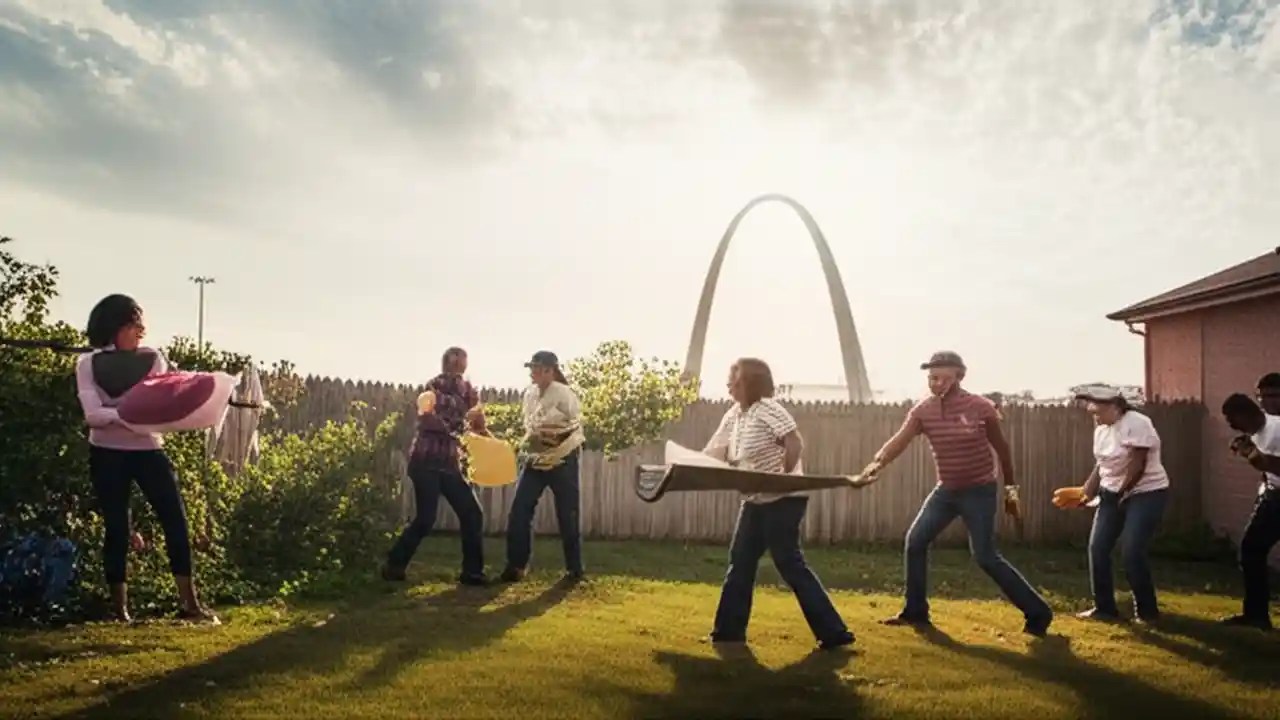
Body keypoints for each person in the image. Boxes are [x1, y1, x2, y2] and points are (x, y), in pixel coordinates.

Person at [860, 351, 1053, 636]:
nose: (936, 384)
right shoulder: (923, 411)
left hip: (979, 491)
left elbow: (1003, 449)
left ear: (959, 377)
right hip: (946, 491)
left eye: (942, 378)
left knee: (985, 556)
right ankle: (915, 612)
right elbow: (899, 441)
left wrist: (1011, 493)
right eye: (931, 378)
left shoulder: (980, 407)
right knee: (915, 541)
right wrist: (876, 463)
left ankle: (1038, 613)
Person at [75, 294, 216, 623]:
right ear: (115, 328)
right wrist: (129, 415)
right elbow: (92, 416)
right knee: (117, 528)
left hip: (148, 450)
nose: (141, 331)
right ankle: (120, 611)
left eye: (141, 325)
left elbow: (153, 409)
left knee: (175, 520)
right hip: (106, 453)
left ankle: (189, 604)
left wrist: (116, 413)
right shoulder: (86, 363)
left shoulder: (154, 359)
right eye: (134, 324)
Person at [702, 358, 855, 651]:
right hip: (755, 500)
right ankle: (728, 634)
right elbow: (713, 452)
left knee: (789, 562)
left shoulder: (768, 409)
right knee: (741, 561)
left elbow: (795, 442)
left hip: (785, 499)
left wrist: (784, 478)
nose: (728, 384)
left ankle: (835, 633)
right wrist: (682, 467)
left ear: (749, 381)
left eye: (733, 378)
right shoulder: (734, 415)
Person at [383, 347, 488, 586]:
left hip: (449, 464)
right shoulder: (434, 388)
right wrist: (455, 426)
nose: (460, 367)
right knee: (426, 518)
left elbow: (477, 422)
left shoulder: (469, 392)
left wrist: (483, 431)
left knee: (472, 513)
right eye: (457, 361)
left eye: (463, 362)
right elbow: (427, 417)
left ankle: (473, 573)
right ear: (448, 364)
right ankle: (394, 565)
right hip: (426, 461)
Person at [1071, 386, 1169, 623]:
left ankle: (1147, 612)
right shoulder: (1102, 429)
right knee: (1098, 548)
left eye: (1098, 411)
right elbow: (1102, 464)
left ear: (1115, 407)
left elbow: (1138, 463)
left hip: (1146, 492)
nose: (1095, 416)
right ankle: (1104, 608)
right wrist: (1086, 491)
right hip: (1112, 492)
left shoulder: (1137, 422)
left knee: (1132, 550)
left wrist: (1122, 493)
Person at [500, 351, 586, 582]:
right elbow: (529, 424)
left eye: (537, 368)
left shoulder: (565, 394)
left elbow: (576, 425)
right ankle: (516, 566)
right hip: (537, 458)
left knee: (567, 512)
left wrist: (554, 436)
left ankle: (574, 569)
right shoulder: (529, 394)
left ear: (550, 370)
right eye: (532, 368)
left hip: (563, 457)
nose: (533, 372)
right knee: (520, 509)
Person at [1220, 390, 1280, 630]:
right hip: (1272, 497)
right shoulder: (1256, 432)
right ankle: (1256, 615)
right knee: (1251, 550)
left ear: (1246, 414)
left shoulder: (1276, 429)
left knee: (1252, 550)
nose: (1232, 426)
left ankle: (1257, 615)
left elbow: (1273, 464)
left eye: (1232, 420)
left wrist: (1255, 457)